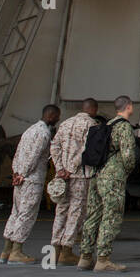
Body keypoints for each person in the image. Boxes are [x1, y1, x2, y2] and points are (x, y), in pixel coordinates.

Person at [78, 96, 136, 272]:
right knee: (111, 216)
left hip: (97, 174)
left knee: (93, 215)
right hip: (112, 177)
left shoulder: (107, 125)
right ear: (129, 107)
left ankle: (85, 257)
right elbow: (128, 156)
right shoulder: (124, 127)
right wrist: (125, 172)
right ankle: (103, 259)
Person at [0, 104, 59, 264]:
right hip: (31, 180)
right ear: (51, 116)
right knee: (27, 214)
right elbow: (34, 155)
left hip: (20, 176)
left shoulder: (30, 130)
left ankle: (6, 250)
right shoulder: (43, 133)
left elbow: (18, 152)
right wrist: (24, 174)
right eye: (57, 116)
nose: (58, 120)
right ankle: (17, 251)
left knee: (16, 212)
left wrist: (16, 173)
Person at [49, 98, 96, 264]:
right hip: (79, 175)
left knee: (61, 210)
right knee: (76, 211)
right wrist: (71, 168)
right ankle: (67, 251)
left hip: (62, 176)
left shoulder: (65, 123)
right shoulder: (91, 125)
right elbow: (86, 150)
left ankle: (54, 250)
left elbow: (54, 146)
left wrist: (60, 168)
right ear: (93, 109)